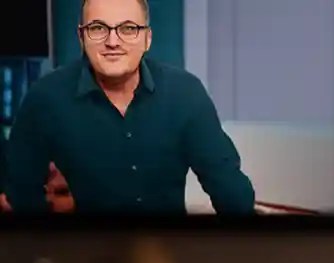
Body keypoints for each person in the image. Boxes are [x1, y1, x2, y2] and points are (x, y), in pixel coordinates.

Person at [5, 0, 255, 215]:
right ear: (81, 37)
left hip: (169, 254)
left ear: (147, 39)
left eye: (128, 28)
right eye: (98, 28)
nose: (113, 41)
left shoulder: (185, 93)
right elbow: (19, 190)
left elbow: (232, 194)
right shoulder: (45, 97)